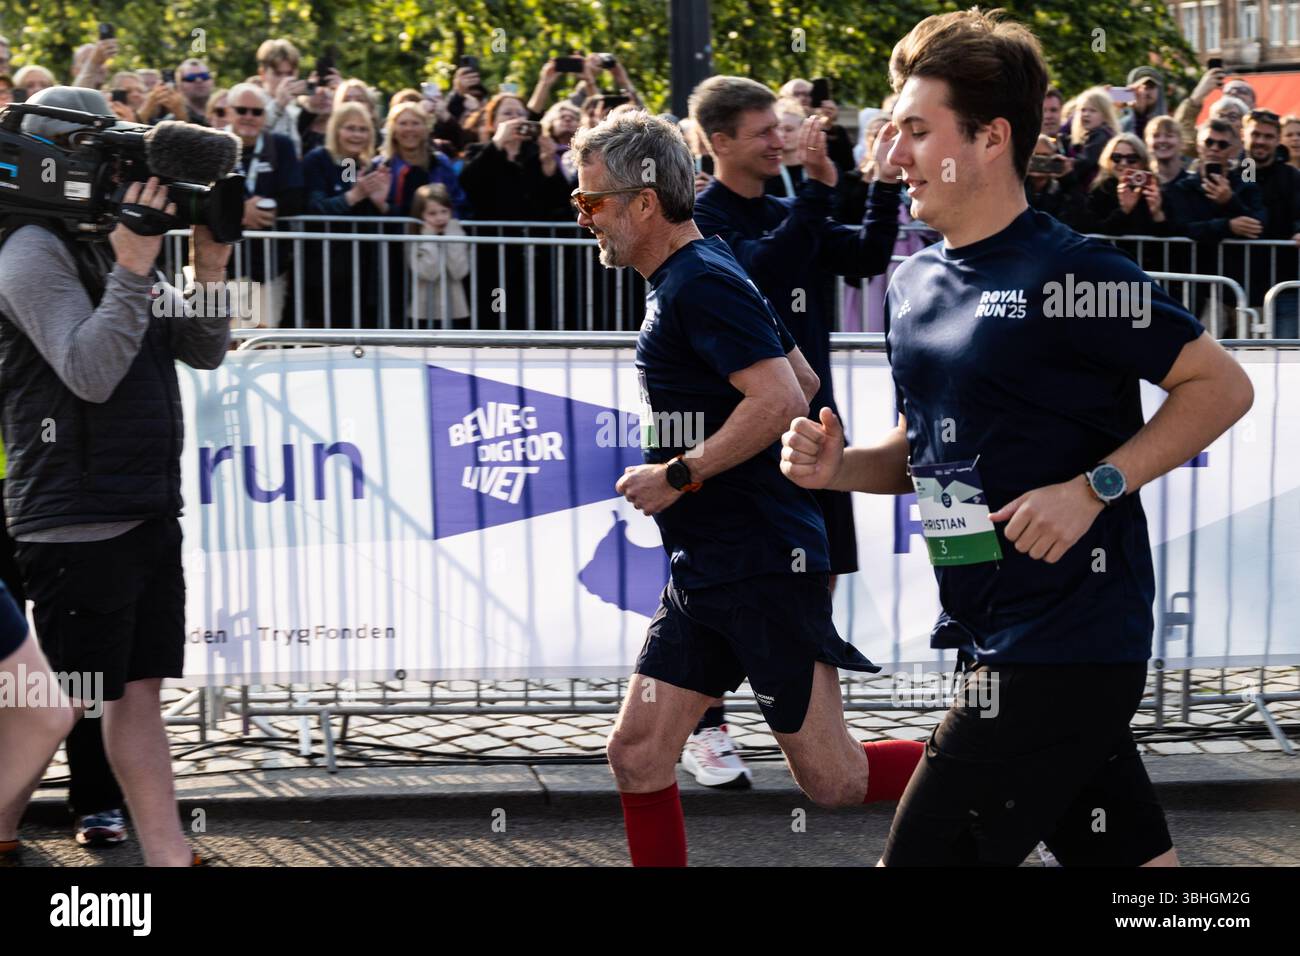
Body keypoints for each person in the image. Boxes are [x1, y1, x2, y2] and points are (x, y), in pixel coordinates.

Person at [782, 8, 1253, 867]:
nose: (893, 155)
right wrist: (838, 466)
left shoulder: (1071, 271)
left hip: (1067, 644)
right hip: (984, 626)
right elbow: (926, 456)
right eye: (893, 131)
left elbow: (1220, 386)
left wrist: (1094, 488)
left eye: (918, 132)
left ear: (990, 138)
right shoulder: (916, 282)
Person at [572, 109, 924, 865]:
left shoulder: (700, 283)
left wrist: (679, 472)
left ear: (642, 201)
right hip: (711, 565)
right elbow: (798, 376)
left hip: (760, 565)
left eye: (590, 201)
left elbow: (783, 399)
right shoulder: (708, 265)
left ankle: (1027, 763)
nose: (583, 218)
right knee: (638, 753)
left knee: (836, 779)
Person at [0, 87, 234, 867]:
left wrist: (211, 263)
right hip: (74, 514)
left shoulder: (107, 241)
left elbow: (202, 346)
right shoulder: (30, 248)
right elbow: (89, 371)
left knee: (136, 695)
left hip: (141, 506)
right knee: (60, 704)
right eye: (109, 159)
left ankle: (168, 855)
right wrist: (135, 265)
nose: (125, 177)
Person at [459, 93, 571, 327]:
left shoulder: (535, 156)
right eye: (507, 114)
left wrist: (550, 165)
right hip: (493, 255)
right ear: (493, 122)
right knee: (494, 317)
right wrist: (498, 144)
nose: (516, 118)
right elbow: (469, 184)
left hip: (534, 256)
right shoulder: (479, 151)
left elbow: (558, 202)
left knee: (535, 318)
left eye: (520, 113)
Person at [1161, 119, 1265, 330]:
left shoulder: (1246, 184)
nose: (1214, 148)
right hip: (1201, 291)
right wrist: (1227, 226)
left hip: (1244, 290)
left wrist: (1229, 201)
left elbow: (1258, 225)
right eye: (1209, 142)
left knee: (1256, 357)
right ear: (1198, 145)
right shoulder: (1181, 188)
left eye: (1222, 144)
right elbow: (1182, 228)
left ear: (1234, 149)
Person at [300, 102, 390, 328]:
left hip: (361, 272)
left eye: (363, 129)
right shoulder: (318, 159)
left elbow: (358, 198)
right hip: (324, 271)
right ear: (336, 129)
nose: (357, 135)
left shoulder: (361, 165)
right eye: (350, 128)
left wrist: (381, 204)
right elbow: (315, 208)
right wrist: (356, 195)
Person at [223, 82, 304, 330]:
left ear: (265, 116)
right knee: (224, 344)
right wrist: (239, 211)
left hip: (269, 267)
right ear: (229, 111)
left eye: (256, 112)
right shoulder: (214, 143)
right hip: (221, 266)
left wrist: (270, 209)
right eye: (242, 110)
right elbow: (198, 191)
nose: (249, 117)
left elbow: (298, 197)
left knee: (263, 343)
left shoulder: (281, 146)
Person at [1240, 109, 1300, 338]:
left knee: (1284, 356)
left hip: (1284, 284)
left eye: (1268, 136)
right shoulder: (1241, 171)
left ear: (1277, 139)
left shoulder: (1291, 176)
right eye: (1256, 134)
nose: (1261, 142)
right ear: (1244, 134)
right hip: (1241, 287)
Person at [1078, 133, 1167, 238]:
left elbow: (1175, 241)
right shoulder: (1100, 190)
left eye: (1132, 158)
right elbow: (1093, 232)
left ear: (1143, 162)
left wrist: (1157, 214)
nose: (1124, 163)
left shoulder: (1155, 190)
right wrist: (1123, 211)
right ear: (1108, 161)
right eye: (1117, 157)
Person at [408, 183, 469, 326]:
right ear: (420, 215)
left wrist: (452, 236)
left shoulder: (456, 232)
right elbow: (429, 273)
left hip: (454, 310)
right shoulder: (415, 237)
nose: (440, 218)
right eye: (432, 213)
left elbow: (459, 271)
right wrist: (429, 237)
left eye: (444, 211)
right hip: (423, 311)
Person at [1066, 86, 1120, 191]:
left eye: (1092, 110)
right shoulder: (1093, 135)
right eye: (1083, 110)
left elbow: (1086, 162)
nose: (1086, 114)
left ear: (1105, 115)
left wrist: (1065, 168)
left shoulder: (1101, 135)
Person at [762, 96, 809, 198]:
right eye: (777, 129)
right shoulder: (764, 171)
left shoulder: (817, 168)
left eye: (789, 129)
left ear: (803, 130)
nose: (782, 135)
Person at [1120, 67, 1167, 141]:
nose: (1147, 91)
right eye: (1142, 86)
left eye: (1152, 87)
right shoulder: (1121, 124)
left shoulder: (1167, 125)